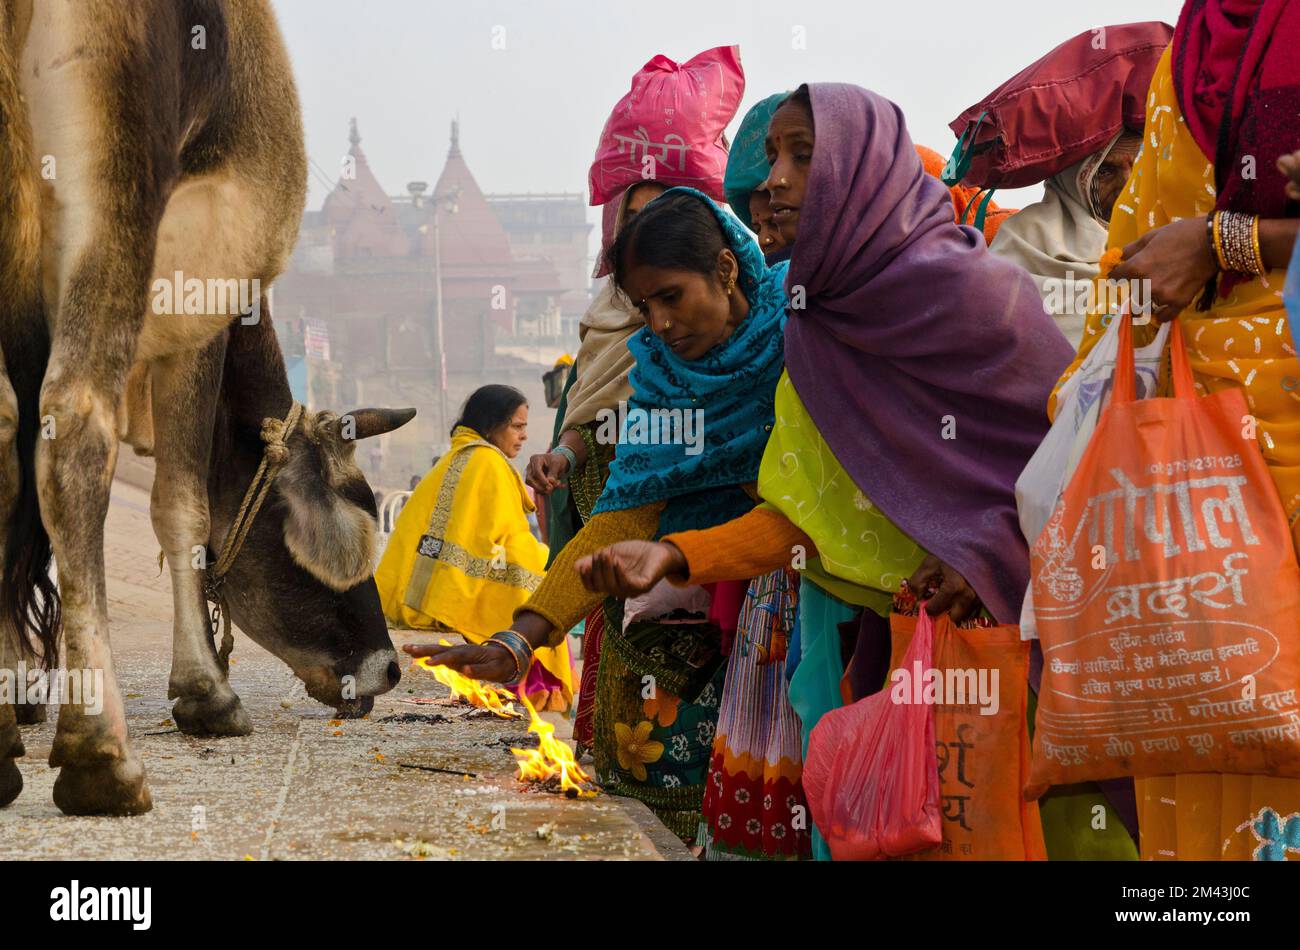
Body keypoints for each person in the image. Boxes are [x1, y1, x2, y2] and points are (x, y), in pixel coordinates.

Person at [575, 84, 1074, 859]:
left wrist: (982, 549)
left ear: (865, 174)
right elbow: (806, 514)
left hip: (1008, 643)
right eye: (772, 156)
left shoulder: (977, 296)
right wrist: (676, 556)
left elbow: (1070, 463)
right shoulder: (815, 325)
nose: (773, 180)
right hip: (858, 645)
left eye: (800, 157)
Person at [408, 188, 789, 843]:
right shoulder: (665, 386)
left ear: (727, 271)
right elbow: (621, 517)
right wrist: (520, 638)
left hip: (802, 616)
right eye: (646, 308)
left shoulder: (804, 341)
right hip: (690, 633)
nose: (661, 326)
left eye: (672, 297)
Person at [1053, 0, 1300, 861]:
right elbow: (1135, 256)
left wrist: (1227, 241)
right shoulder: (1198, 43)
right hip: (1194, 506)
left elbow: (1197, 238)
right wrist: (1086, 426)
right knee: (1205, 798)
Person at [375, 385, 573, 711]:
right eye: (517, 426)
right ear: (492, 424)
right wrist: (553, 560)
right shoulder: (486, 462)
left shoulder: (464, 455)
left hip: (412, 592)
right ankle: (537, 697)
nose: (524, 436)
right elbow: (501, 542)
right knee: (548, 591)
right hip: (447, 597)